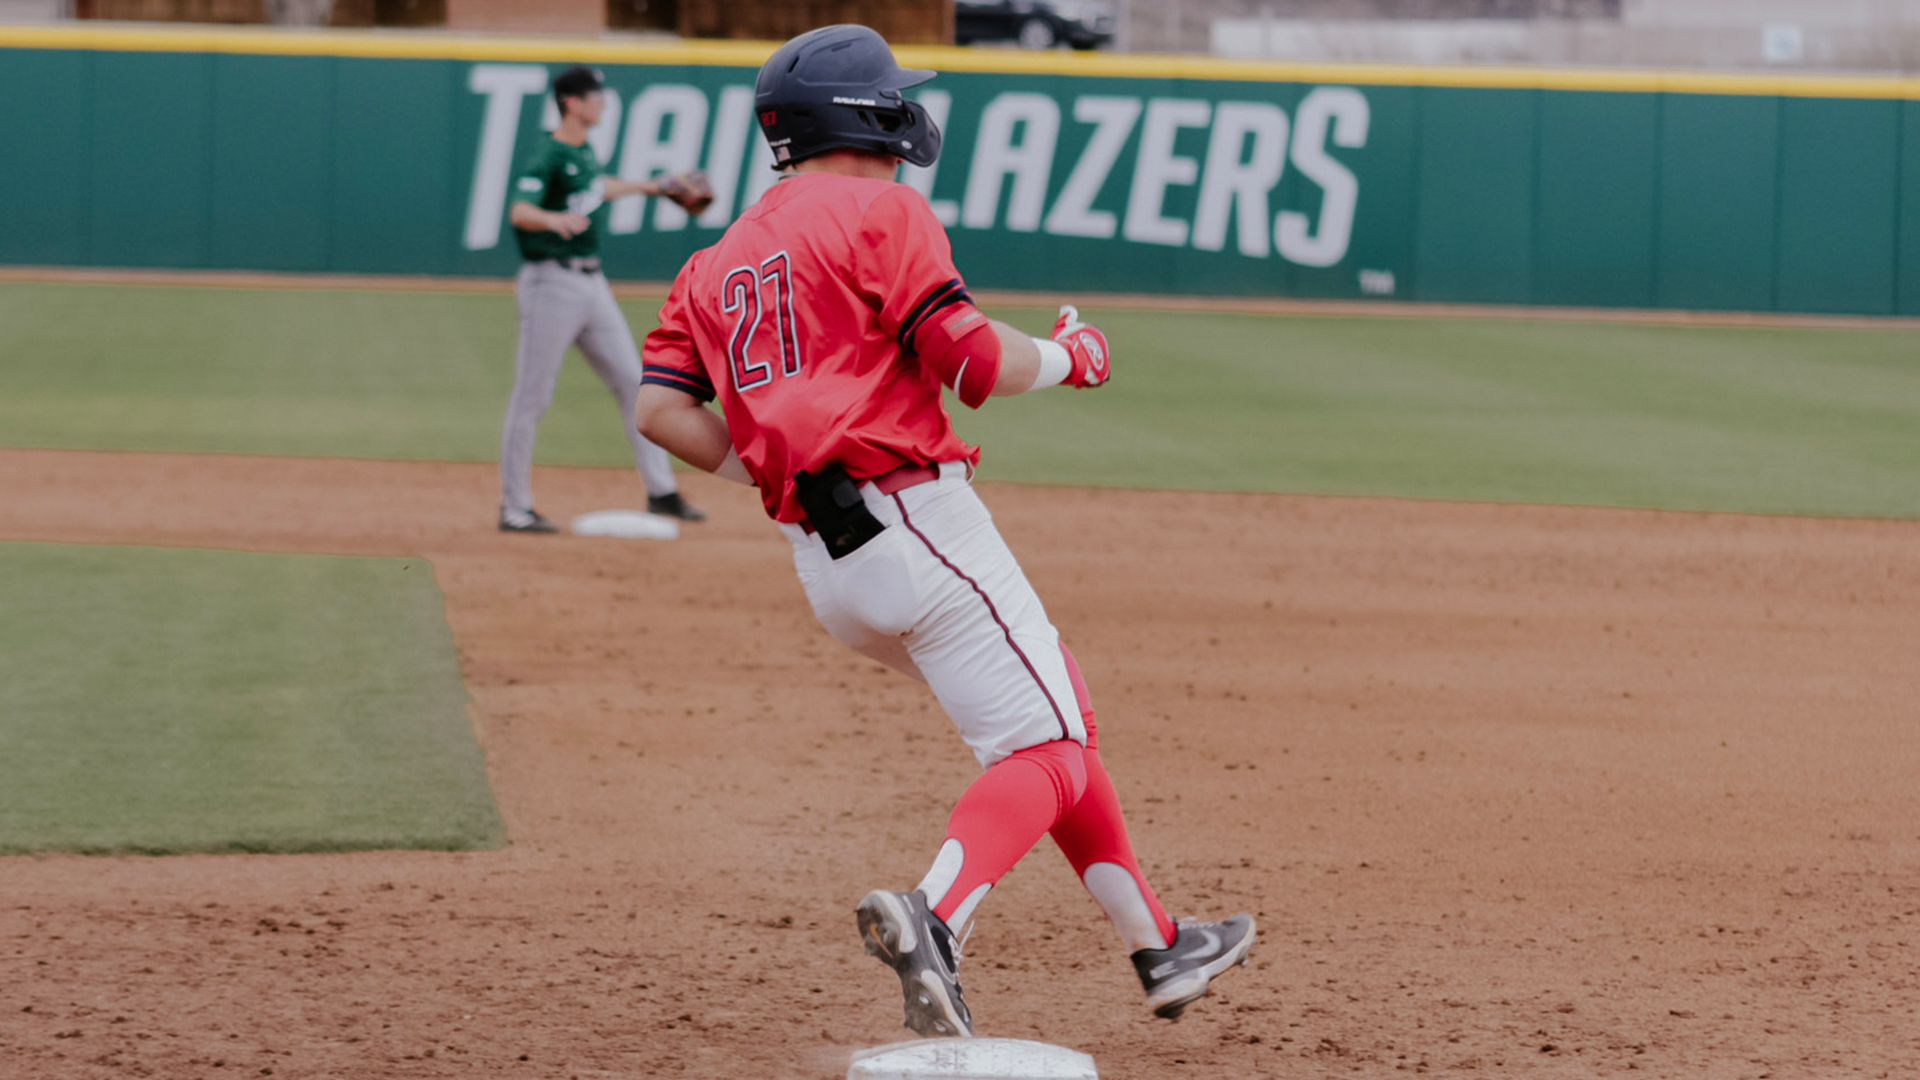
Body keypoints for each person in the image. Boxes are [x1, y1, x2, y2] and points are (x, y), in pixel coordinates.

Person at [632, 26, 1254, 1038]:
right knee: (1051, 743)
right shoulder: (882, 209)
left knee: (1059, 723)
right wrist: (1073, 356)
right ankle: (937, 917)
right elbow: (973, 362)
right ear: (866, 117)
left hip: (829, 565)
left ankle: (1158, 943)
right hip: (916, 522)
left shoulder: (714, 261)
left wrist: (785, 465)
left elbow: (660, 411)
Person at [498, 65, 708, 533]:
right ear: (572, 102)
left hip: (592, 284)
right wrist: (551, 220)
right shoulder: (550, 153)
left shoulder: (582, 151)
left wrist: (652, 186)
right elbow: (520, 209)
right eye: (595, 95)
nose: (603, 102)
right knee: (532, 396)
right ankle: (514, 507)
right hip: (551, 283)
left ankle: (662, 492)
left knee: (635, 384)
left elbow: (597, 187)